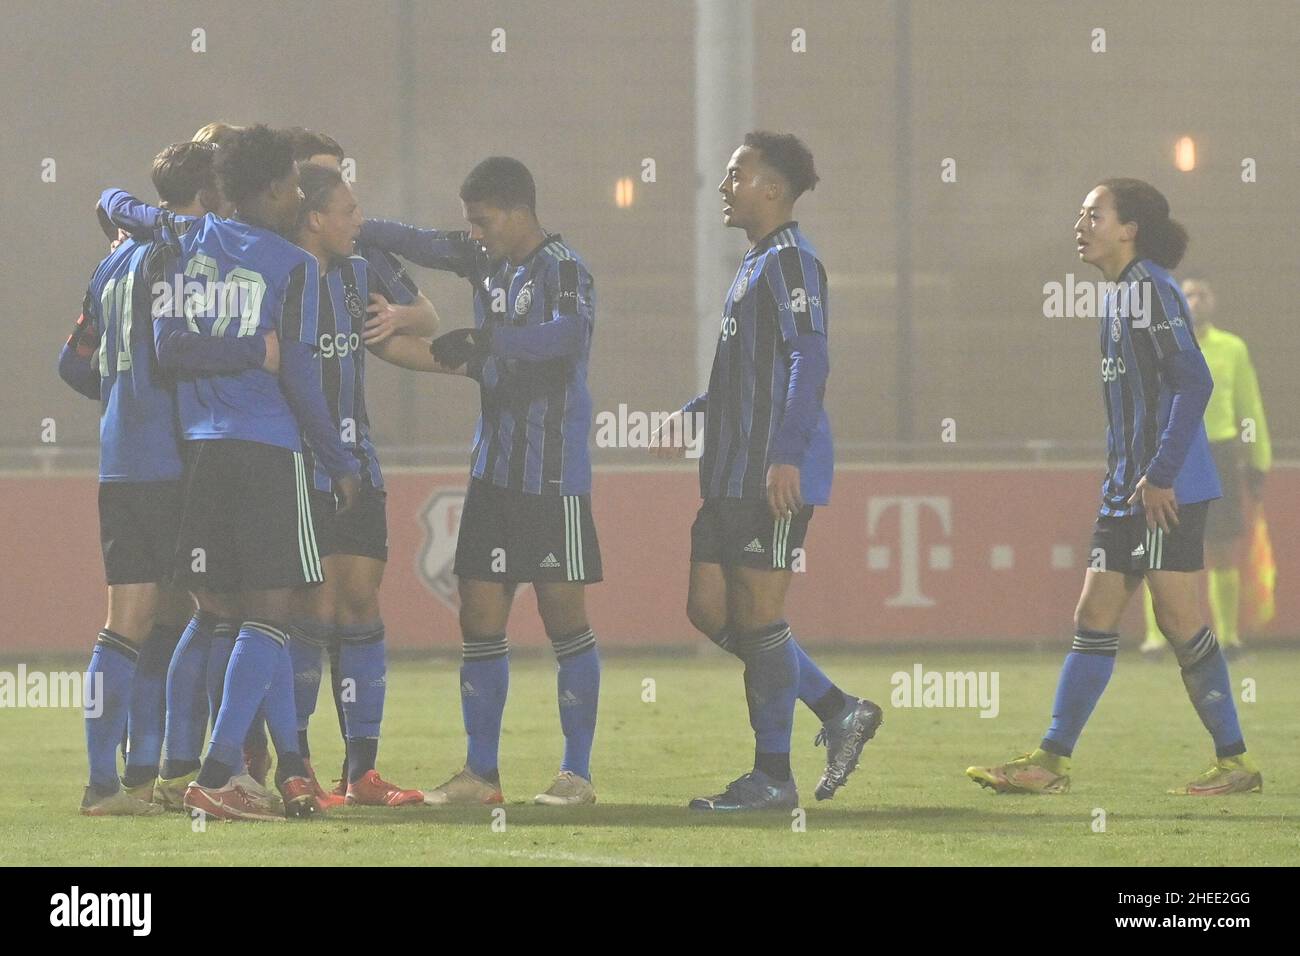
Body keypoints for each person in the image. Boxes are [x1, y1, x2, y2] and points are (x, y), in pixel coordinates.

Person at [967, 179, 1262, 797]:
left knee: (1180, 622)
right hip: (1129, 489)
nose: (1080, 222)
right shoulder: (1121, 294)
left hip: (1167, 488)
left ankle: (1235, 763)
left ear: (1128, 228)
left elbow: (1195, 384)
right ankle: (1050, 762)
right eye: (1079, 213)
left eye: (1093, 214)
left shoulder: (1152, 289)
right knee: (1094, 615)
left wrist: (1159, 473)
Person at [359, 156, 603, 806]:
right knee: (479, 617)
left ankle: (575, 774)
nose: (476, 232)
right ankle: (481, 775)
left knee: (565, 621)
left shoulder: (564, 268)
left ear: (518, 209)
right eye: (470, 222)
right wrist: (353, 227)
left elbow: (567, 337)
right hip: (494, 472)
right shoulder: (483, 259)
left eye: (484, 219)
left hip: (552, 476)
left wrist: (491, 341)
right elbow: (413, 240)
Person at [653, 131, 882, 811]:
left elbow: (811, 360)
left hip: (767, 475)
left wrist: (786, 453)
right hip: (726, 473)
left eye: (736, 175)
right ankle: (838, 708)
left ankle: (772, 778)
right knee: (709, 610)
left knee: (758, 618)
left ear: (772, 189)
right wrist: (695, 411)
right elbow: (748, 373)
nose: (724, 186)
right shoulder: (755, 264)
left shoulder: (793, 264)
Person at [153, 125, 362, 820]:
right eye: (295, 189)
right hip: (269, 451)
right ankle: (220, 774)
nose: (299, 200)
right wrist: (340, 461)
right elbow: (299, 376)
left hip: (201, 453)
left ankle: (192, 766)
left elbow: (170, 348)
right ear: (274, 189)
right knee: (273, 615)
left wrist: (235, 350)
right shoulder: (292, 264)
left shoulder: (188, 244)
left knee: (218, 614)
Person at [1139, 277, 1271, 660]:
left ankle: (1227, 638)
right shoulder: (1158, 344)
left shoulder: (1233, 348)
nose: (1194, 300)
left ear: (1213, 302)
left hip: (1220, 452)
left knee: (1222, 545)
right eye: (1187, 294)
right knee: (1162, 546)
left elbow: (1250, 405)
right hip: (1170, 452)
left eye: (1202, 294)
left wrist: (1258, 459)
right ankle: (1157, 638)